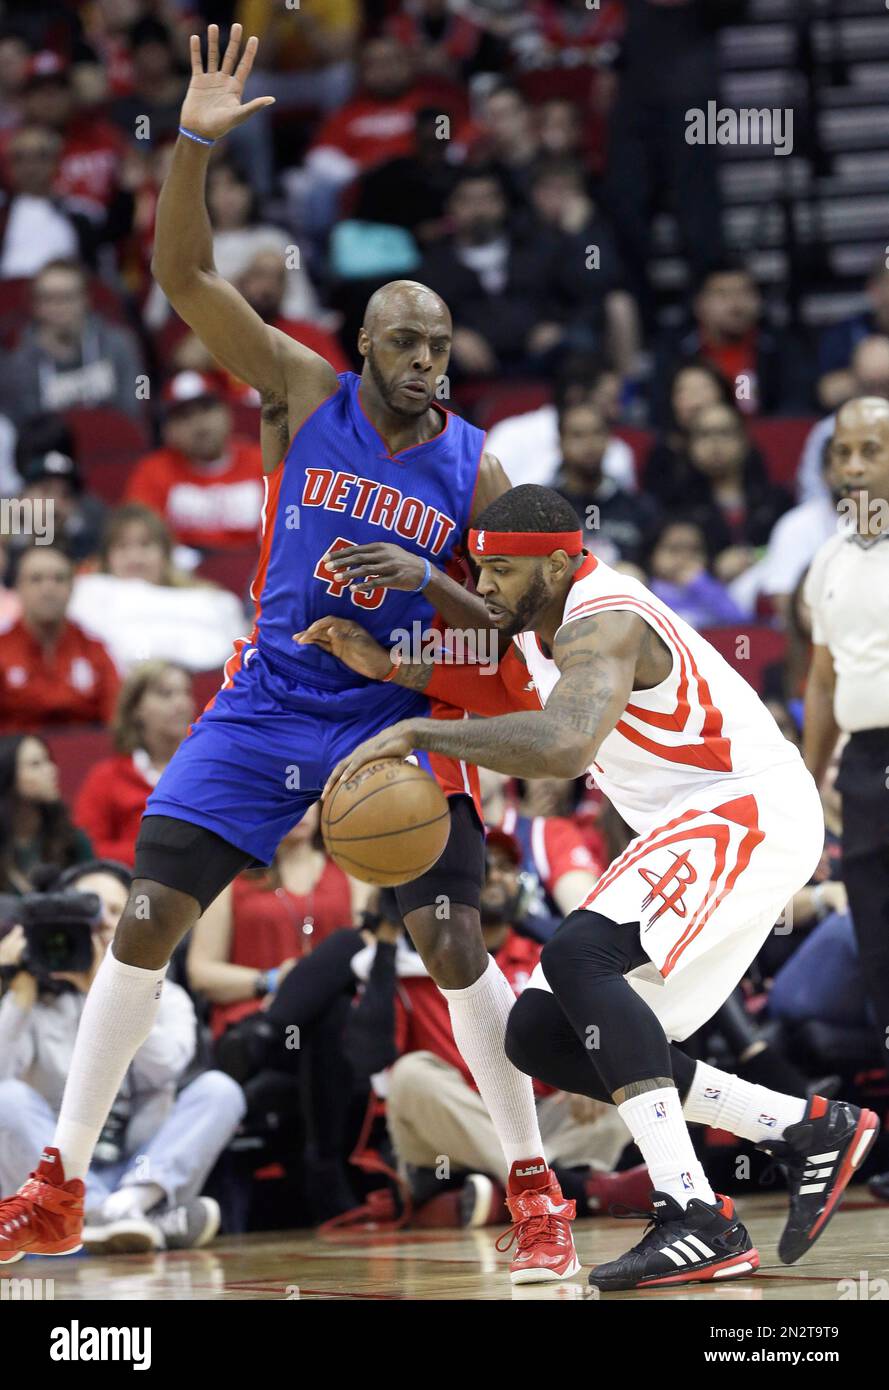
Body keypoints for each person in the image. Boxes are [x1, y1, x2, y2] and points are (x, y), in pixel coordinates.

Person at [0, 26, 579, 1286]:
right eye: (410, 346)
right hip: (267, 703)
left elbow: (511, 631)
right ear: (366, 346)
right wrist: (196, 137)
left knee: (458, 941)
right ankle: (55, 1183)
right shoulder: (296, 392)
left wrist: (417, 595)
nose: (432, 365)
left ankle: (533, 1183)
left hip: (392, 723)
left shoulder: (477, 464)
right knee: (147, 913)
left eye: (442, 349)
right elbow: (181, 270)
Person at [308, 482, 879, 1291]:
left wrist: (417, 727)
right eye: (479, 570)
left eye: (498, 572)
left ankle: (693, 1215)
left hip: (745, 804)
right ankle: (801, 1128)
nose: (484, 588)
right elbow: (500, 651)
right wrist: (395, 659)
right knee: (543, 1035)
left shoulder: (604, 619)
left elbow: (567, 743)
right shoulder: (544, 623)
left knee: (580, 956)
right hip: (699, 820)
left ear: (554, 565)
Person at [0, 859, 244, 1253]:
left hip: (141, 1170)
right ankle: (134, 1221)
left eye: (116, 912)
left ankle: (118, 1212)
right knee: (5, 1098)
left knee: (220, 1090)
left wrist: (111, 993)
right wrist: (18, 991)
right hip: (57, 1177)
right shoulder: (36, 1000)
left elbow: (164, 1069)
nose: (102, 924)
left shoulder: (167, 993)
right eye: (89, 911)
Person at [802, 394, 889, 1196]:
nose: (855, 467)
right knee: (879, 958)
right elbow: (823, 681)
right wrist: (804, 783)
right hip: (864, 768)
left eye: (872, 450)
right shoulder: (827, 561)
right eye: (843, 454)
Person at [68, 503, 247, 671]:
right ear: (107, 558)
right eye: (122, 547)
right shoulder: (85, 594)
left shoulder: (214, 601)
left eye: (145, 545)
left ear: (166, 553)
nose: (135, 557)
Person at [124, 371, 265, 552]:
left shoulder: (262, 461)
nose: (199, 424)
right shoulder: (152, 471)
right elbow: (141, 536)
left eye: (206, 409)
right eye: (184, 416)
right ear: (168, 430)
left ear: (227, 413)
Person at [73, 661, 194, 866]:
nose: (181, 704)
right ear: (136, 708)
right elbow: (86, 850)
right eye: (166, 694)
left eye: (185, 693)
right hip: (133, 885)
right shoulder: (107, 777)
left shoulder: (209, 770)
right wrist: (156, 851)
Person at [0, 257, 145, 424]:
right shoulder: (19, 363)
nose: (58, 306)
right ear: (35, 305)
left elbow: (143, 389)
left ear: (85, 299)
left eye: (67, 297)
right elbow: (23, 425)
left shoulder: (120, 343)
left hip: (117, 445)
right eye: (49, 298)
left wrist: (143, 398)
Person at [0, 543, 120, 733]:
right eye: (36, 579)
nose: (48, 589)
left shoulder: (95, 650)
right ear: (17, 588)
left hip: (85, 757)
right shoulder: (2, 650)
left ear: (72, 587)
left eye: (59, 579)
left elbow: (116, 723)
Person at [0, 734, 92, 894]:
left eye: (49, 760)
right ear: (8, 774)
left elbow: (94, 895)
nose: (52, 770)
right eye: (36, 764)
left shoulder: (72, 839)